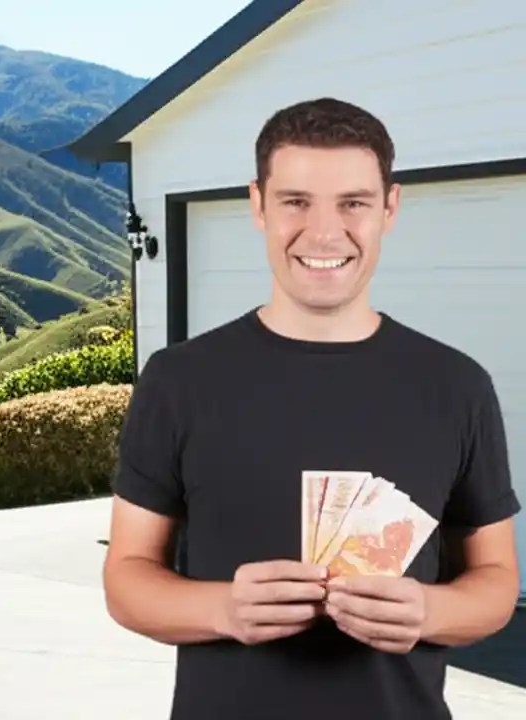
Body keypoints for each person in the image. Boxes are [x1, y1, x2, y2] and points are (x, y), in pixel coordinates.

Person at [103, 96, 521, 720]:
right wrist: (222, 609)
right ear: (258, 206)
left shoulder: (457, 386)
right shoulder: (178, 381)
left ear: (389, 208)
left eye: (353, 203)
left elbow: (495, 581)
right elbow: (127, 577)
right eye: (296, 201)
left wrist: (430, 611)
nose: (325, 233)